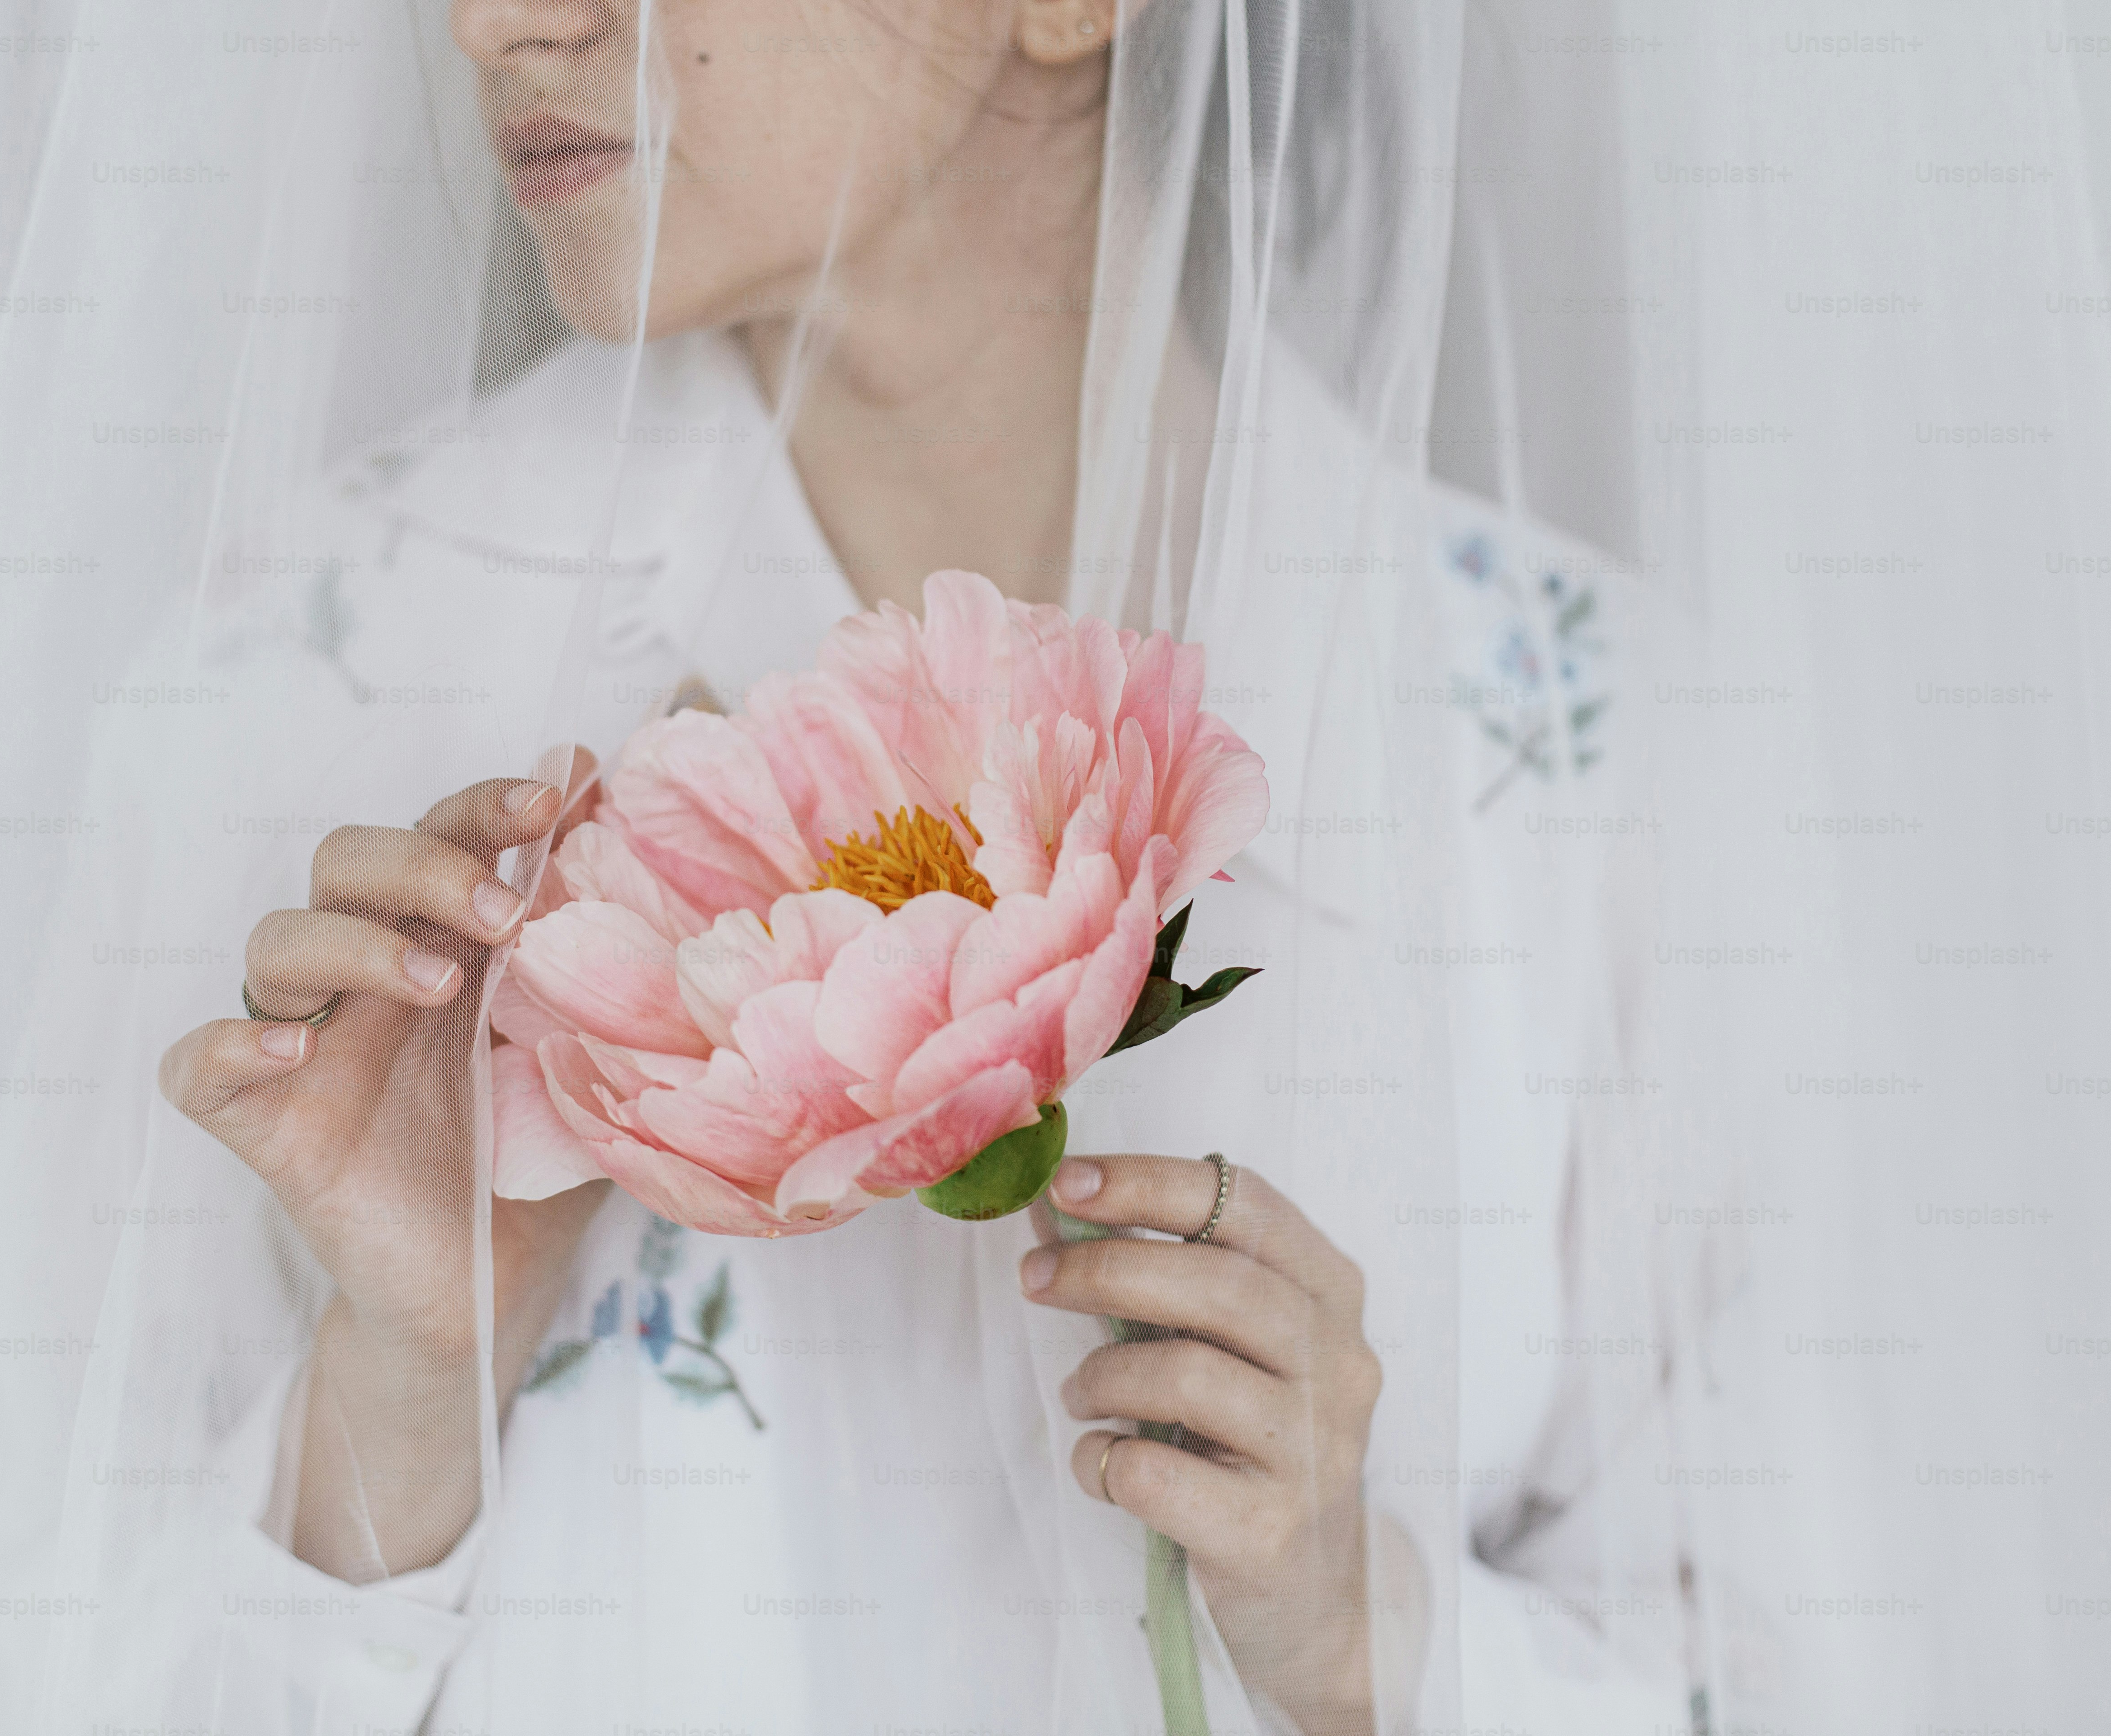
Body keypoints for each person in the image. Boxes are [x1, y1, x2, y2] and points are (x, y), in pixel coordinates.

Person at [139, 2, 1689, 1732]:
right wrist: (412, 1389)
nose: (503, 22)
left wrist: (1351, 1642)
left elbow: (1820, 1660)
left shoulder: (1591, 764)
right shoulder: (302, 684)